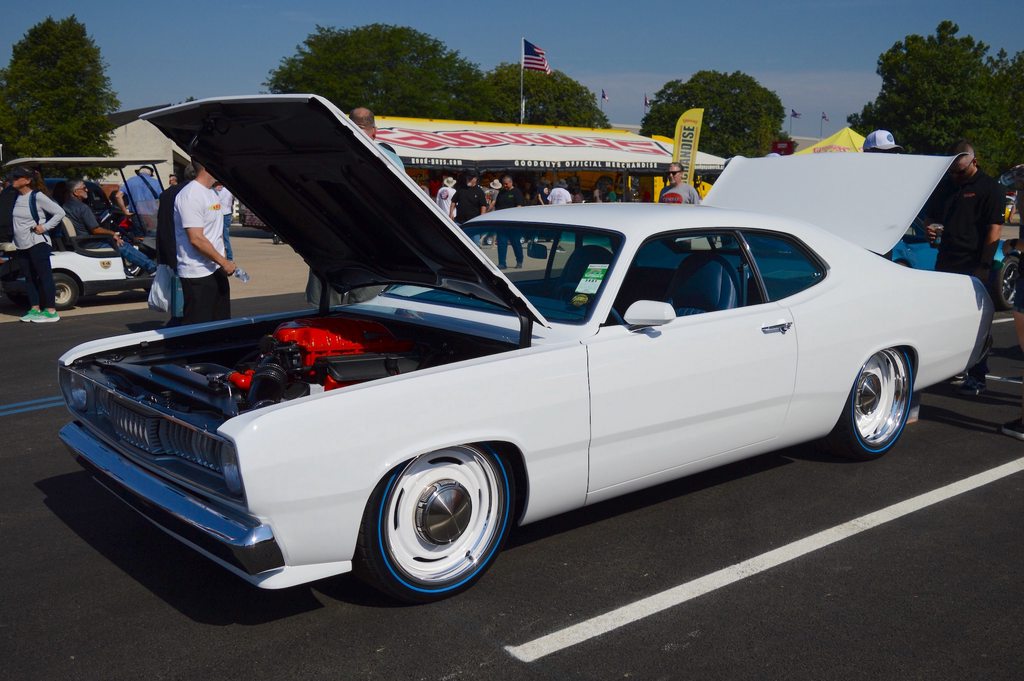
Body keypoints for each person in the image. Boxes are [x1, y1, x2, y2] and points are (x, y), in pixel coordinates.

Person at [924, 140, 1005, 396]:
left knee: (978, 325)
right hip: (946, 260)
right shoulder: (946, 186)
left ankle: (978, 375)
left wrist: (984, 265)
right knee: (946, 320)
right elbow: (931, 215)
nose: (956, 176)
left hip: (974, 263)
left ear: (974, 162)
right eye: (952, 171)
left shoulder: (990, 188)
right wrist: (929, 227)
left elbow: (995, 229)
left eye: (960, 171)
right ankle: (952, 368)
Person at [305, 107, 402, 307]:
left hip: (329, 244)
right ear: (374, 131)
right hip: (374, 247)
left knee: (324, 311)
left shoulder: (323, 156)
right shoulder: (390, 159)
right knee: (366, 312)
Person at [174, 162, 236, 324]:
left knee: (221, 326)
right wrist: (224, 261)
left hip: (216, 269)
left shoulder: (212, 193)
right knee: (199, 330)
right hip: (197, 274)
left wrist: (222, 261)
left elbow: (215, 233)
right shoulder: (190, 195)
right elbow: (196, 238)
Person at [63, 179, 156, 275]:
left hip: (80, 241)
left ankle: (125, 271)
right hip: (89, 242)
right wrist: (113, 234)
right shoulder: (83, 208)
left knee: (117, 242)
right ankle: (152, 268)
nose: (87, 190)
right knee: (122, 245)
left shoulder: (66, 206)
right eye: (84, 188)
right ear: (76, 192)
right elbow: (95, 230)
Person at [9, 166, 64, 322]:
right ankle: (35, 309)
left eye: (17, 177)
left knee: (44, 276)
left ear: (27, 180)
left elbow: (60, 212)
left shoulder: (37, 196)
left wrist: (44, 227)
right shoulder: (16, 197)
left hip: (37, 242)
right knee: (29, 277)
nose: (13, 179)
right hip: (21, 244)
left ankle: (51, 310)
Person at [157, 164, 196, 326]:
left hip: (168, 247)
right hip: (186, 251)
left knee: (178, 289)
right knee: (188, 294)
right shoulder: (192, 193)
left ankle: (178, 319)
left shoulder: (166, 194)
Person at [491, 175, 526, 269]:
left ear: (511, 182)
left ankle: (519, 261)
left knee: (515, 243)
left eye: (506, 184)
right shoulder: (501, 192)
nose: (505, 185)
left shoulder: (516, 192)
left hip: (513, 223)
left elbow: (520, 206)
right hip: (501, 223)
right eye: (504, 184)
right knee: (501, 243)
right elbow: (497, 206)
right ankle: (502, 263)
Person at [120, 166, 162, 236]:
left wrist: (125, 211)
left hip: (136, 215)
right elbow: (162, 198)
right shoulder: (156, 182)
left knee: (140, 238)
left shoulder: (130, 181)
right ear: (151, 174)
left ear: (139, 173)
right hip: (152, 216)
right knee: (152, 239)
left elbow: (118, 196)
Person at [212, 181, 235, 261]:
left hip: (223, 214)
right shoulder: (228, 191)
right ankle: (228, 256)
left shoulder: (222, 192)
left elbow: (216, 202)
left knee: (223, 237)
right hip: (227, 213)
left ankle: (229, 257)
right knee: (225, 236)